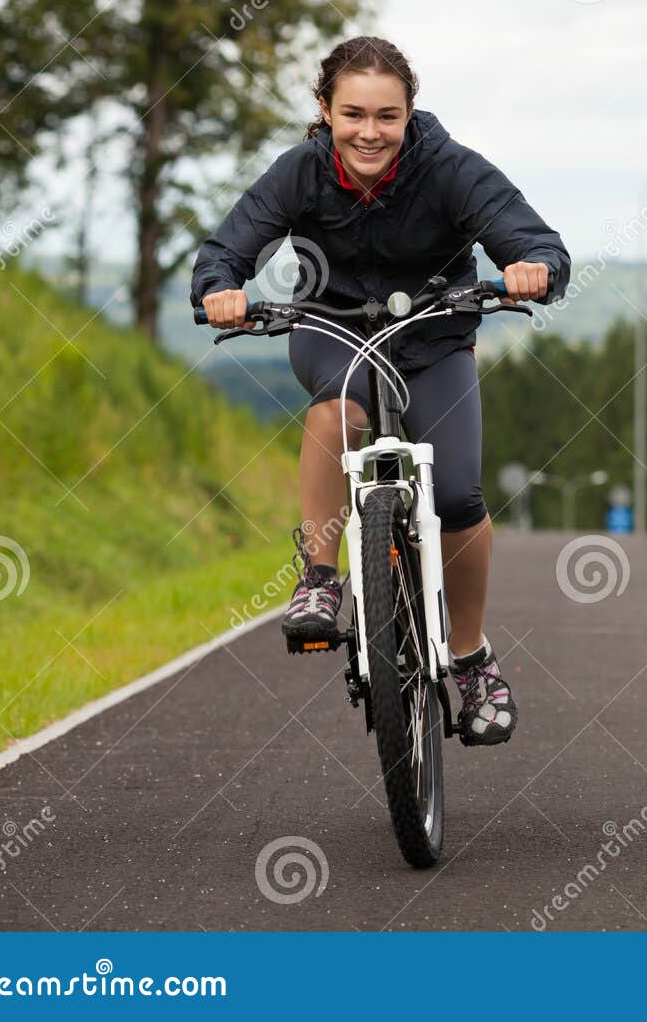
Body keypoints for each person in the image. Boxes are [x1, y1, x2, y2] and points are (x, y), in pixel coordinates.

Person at [190, 36, 570, 748]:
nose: (371, 132)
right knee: (340, 407)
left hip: (433, 337)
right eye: (355, 114)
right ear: (327, 111)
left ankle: (470, 658)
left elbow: (533, 239)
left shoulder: (449, 167)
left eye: (388, 116)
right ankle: (322, 576)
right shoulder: (301, 172)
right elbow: (228, 249)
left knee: (457, 494)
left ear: (409, 114)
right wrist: (220, 289)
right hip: (332, 326)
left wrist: (534, 266)